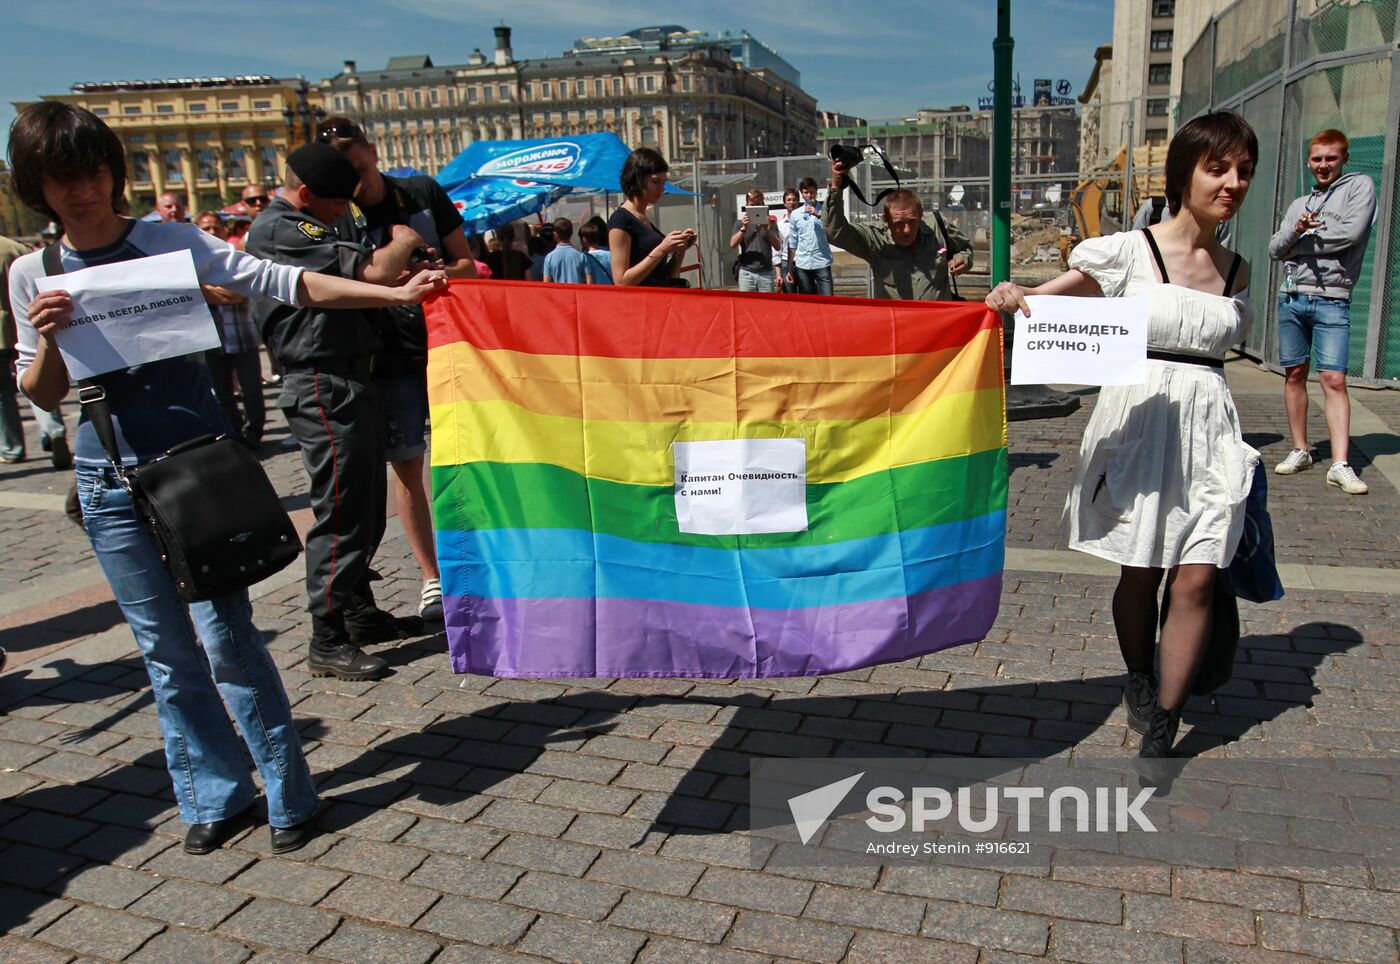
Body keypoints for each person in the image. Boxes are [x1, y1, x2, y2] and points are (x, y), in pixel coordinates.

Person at [8, 103, 445, 855]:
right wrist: (46, 338)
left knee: (227, 638)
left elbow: (283, 279)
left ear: (112, 172)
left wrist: (394, 294)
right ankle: (214, 792)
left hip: (193, 470)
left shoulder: (169, 243)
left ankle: (287, 789)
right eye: (57, 180)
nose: (78, 192)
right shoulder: (31, 271)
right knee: (163, 651)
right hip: (107, 475)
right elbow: (42, 392)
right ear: (35, 188)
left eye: (89, 173)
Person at [984, 111, 1259, 776]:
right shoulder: (1132, 249)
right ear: (1184, 173)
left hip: (1209, 429)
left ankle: (1161, 726)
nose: (1232, 183)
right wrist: (1009, 295)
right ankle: (1140, 673)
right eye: (1217, 168)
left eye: (1243, 171)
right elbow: (1042, 305)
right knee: (1140, 571)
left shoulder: (1238, 267)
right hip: (1141, 424)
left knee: (1197, 576)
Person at [247, 142, 439, 680]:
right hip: (321, 379)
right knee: (341, 509)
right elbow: (372, 272)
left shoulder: (316, 222)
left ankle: (355, 612)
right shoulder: (285, 227)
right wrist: (402, 241)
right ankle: (327, 637)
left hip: (351, 373)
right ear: (306, 194)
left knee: (364, 504)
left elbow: (365, 286)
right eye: (336, 204)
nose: (343, 212)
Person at [319, 117, 478, 623]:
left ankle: (480, 562)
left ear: (371, 149)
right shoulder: (336, 215)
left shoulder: (421, 193)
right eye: (340, 168)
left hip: (448, 343)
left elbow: (467, 266)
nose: (352, 176)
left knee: (466, 454)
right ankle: (432, 577)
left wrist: (424, 275)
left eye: (356, 161)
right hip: (384, 356)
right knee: (407, 464)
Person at [1268, 128, 1376, 495]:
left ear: (1344, 158)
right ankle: (1300, 449)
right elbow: (1274, 247)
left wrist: (1299, 243)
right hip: (1292, 298)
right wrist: (1295, 236)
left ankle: (1341, 463)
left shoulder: (1359, 187)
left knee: (1334, 380)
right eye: (1317, 159)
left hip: (1333, 298)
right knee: (1294, 375)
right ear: (1309, 161)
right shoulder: (1300, 204)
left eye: (1331, 158)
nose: (1323, 165)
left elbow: (1351, 234)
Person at [824, 166, 972, 301]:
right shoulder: (875, 239)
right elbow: (834, 232)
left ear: (921, 216)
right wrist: (837, 186)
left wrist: (962, 260)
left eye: (912, 222)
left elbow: (965, 249)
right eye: (899, 224)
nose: (906, 230)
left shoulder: (938, 226)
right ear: (886, 221)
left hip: (939, 324)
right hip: (897, 326)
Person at [195, 212, 265, 448]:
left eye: (216, 227)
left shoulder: (236, 257)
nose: (212, 232)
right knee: (222, 393)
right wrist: (207, 291)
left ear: (224, 230)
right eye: (206, 228)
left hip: (242, 336)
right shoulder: (192, 263)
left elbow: (238, 294)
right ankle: (235, 435)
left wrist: (205, 290)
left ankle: (254, 434)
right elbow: (192, 293)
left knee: (252, 389)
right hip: (212, 341)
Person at [1, 232, 70, 467]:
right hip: (24, 323)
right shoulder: (13, 248)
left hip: (10, 331)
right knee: (34, 372)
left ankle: (11, 447)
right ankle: (53, 429)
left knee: (6, 394)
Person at [607, 148, 694, 287]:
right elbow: (621, 282)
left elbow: (667, 275)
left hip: (658, 301)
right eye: (656, 181)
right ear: (637, 179)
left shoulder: (642, 218)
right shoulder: (621, 220)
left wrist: (680, 249)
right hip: (640, 304)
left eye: (664, 182)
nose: (662, 188)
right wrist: (662, 249)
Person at [786, 177, 834, 295]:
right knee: (808, 301)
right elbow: (793, 241)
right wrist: (789, 268)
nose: (809, 195)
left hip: (822, 260)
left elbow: (832, 230)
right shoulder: (795, 214)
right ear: (802, 194)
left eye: (812, 192)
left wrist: (817, 214)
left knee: (828, 299)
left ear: (816, 192)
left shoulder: (824, 210)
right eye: (806, 192)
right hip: (803, 263)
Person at [730, 189, 781, 293]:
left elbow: (778, 246)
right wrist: (743, 228)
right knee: (746, 306)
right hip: (747, 272)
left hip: (766, 273)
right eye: (752, 205)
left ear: (763, 204)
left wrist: (767, 228)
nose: (755, 208)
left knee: (766, 307)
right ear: (747, 205)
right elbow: (732, 244)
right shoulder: (740, 223)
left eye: (758, 204)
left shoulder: (771, 224)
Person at [541, 217, 593, 284]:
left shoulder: (549, 257)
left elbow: (546, 284)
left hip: (559, 294)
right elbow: (589, 283)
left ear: (555, 235)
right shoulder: (581, 256)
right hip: (577, 294)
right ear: (571, 233)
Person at [774, 188, 799, 292]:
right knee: (790, 300)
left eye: (794, 200)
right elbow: (777, 250)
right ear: (784, 203)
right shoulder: (779, 225)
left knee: (807, 298)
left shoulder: (805, 222)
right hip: (786, 264)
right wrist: (778, 274)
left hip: (803, 263)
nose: (791, 202)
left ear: (798, 202)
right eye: (788, 200)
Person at [578, 219, 612, 284]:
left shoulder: (584, 257)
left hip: (594, 291)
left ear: (584, 239)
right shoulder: (609, 254)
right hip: (609, 290)